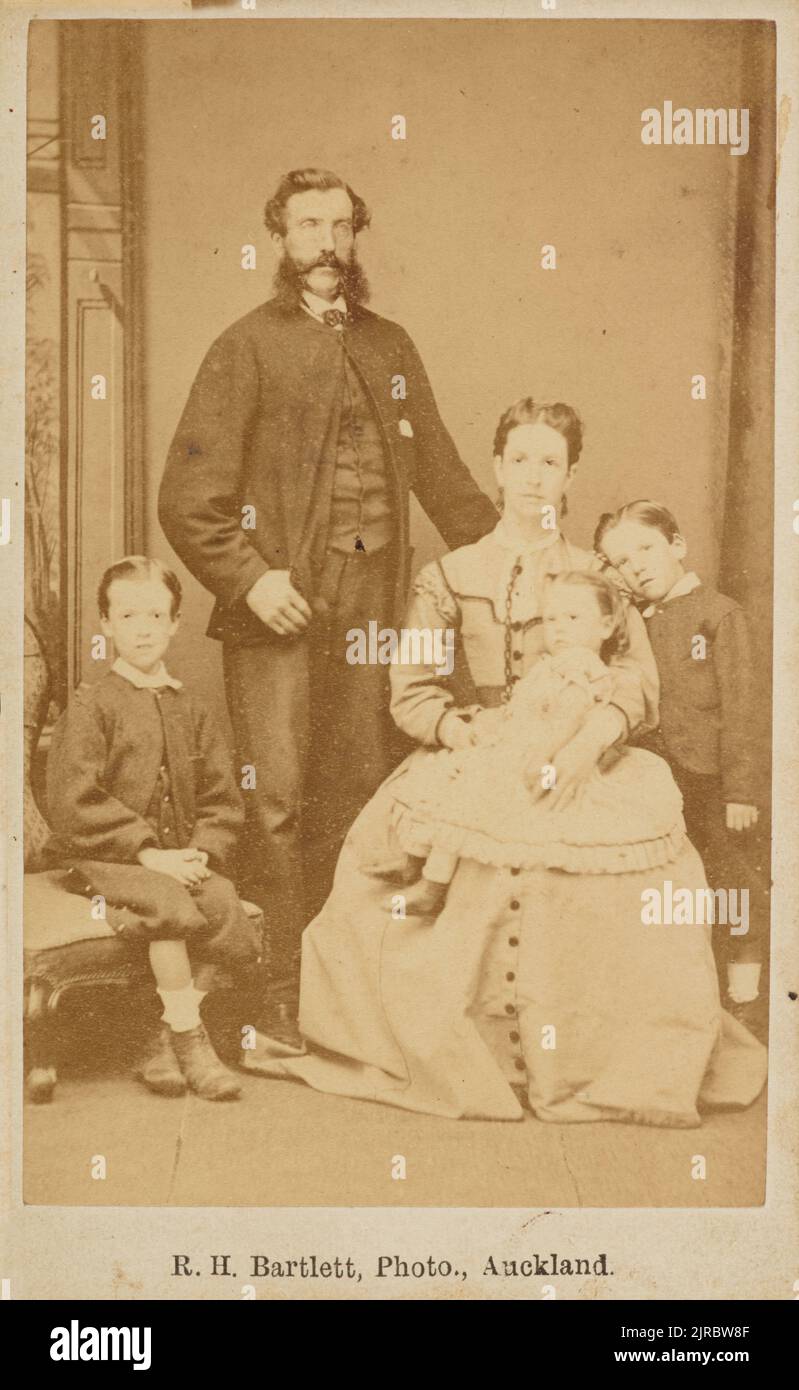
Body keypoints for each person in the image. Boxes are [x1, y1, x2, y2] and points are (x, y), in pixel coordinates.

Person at [243, 397, 766, 1124]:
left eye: (549, 462)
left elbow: (639, 686)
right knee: (391, 867)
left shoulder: (598, 574)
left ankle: (596, 1063)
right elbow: (412, 689)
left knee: (622, 881)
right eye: (519, 459)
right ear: (495, 468)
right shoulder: (449, 574)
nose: (532, 476)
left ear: (570, 474)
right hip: (480, 749)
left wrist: (587, 744)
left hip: (589, 753)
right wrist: (465, 734)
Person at [158, 167, 498, 1042]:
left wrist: (517, 558)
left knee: (362, 789)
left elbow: (444, 479)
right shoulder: (245, 346)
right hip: (277, 614)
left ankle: (350, 988)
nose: (327, 246)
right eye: (309, 226)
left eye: (342, 228)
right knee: (274, 798)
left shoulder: (390, 347)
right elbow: (188, 496)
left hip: (371, 614)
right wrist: (251, 576)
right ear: (278, 236)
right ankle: (272, 993)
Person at [45, 557, 259, 1102]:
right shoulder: (92, 704)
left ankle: (161, 1038)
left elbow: (221, 799)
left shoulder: (195, 709)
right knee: (166, 902)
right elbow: (74, 802)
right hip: (105, 860)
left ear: (174, 623)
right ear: (107, 624)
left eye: (155, 615)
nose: (143, 628)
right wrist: (147, 853)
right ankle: (191, 1041)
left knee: (222, 903)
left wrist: (201, 853)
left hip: (179, 860)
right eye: (128, 615)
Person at [369, 570, 685, 917]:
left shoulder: (581, 665)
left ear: (606, 626)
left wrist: (543, 753)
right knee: (451, 779)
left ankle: (433, 885)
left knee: (470, 794)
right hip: (517, 744)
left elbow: (570, 713)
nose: (559, 628)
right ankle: (414, 862)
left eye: (573, 618)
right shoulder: (554, 663)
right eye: (551, 619)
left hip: (542, 753)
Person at [594, 501, 768, 1031]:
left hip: (712, 780)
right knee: (676, 888)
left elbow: (744, 709)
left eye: (645, 549)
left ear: (677, 545)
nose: (637, 567)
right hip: (657, 777)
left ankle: (746, 995)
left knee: (733, 884)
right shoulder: (628, 626)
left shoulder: (718, 614)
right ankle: (695, 993)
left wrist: (742, 791)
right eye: (621, 562)